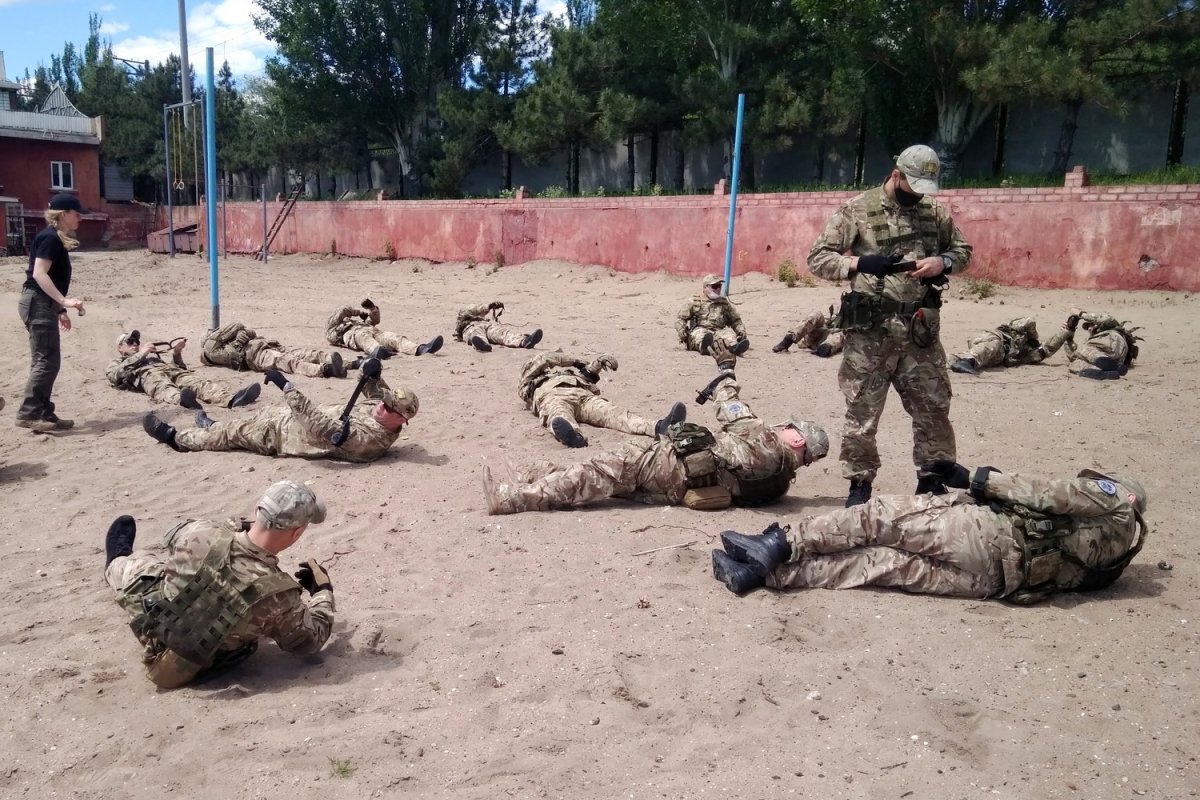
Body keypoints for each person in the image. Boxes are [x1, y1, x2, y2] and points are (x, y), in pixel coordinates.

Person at [712, 462, 1147, 604]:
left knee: (879, 519)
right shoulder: (1113, 564)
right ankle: (763, 576)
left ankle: (781, 544)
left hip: (987, 535)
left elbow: (1050, 494)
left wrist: (977, 479)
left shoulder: (1114, 502)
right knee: (878, 565)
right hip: (997, 582)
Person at [807, 144, 972, 506]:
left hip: (919, 331)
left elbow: (963, 251)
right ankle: (860, 482)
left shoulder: (935, 213)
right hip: (871, 332)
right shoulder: (858, 209)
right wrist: (859, 265)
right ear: (896, 175)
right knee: (863, 410)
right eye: (914, 186)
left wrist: (942, 262)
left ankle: (932, 478)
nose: (919, 195)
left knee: (933, 408)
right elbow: (817, 258)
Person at [483, 341, 828, 513]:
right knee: (604, 477)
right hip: (682, 488)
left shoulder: (766, 442)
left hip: (671, 463)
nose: (783, 426)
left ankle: (514, 498)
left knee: (597, 472)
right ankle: (532, 473)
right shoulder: (780, 486)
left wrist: (725, 372)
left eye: (789, 427)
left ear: (796, 438)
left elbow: (732, 410)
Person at [103, 479, 334, 688]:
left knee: (146, 567)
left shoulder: (201, 531)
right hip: (187, 666)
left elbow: (172, 535)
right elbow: (310, 641)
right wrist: (323, 592)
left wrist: (236, 528)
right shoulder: (280, 597)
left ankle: (116, 562)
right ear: (296, 533)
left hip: (151, 623)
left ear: (258, 510)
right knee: (252, 625)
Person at [141, 358, 417, 463]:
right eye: (385, 400)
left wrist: (287, 386)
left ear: (401, 420)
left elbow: (318, 424)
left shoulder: (369, 440)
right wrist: (373, 370)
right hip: (284, 418)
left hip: (279, 435)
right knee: (232, 428)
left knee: (230, 435)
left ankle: (176, 439)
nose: (382, 403)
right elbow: (373, 390)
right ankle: (210, 426)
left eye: (389, 405)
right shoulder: (383, 412)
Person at [16, 193, 89, 431]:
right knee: (45, 361)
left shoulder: (55, 238)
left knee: (48, 361)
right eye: (76, 213)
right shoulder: (49, 238)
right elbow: (39, 273)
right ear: (63, 214)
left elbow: (51, 277)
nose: (80, 217)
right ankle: (29, 413)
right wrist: (64, 301)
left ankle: (44, 413)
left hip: (42, 304)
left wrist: (59, 310)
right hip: (37, 302)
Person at [518, 350, 687, 448]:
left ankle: (659, 427)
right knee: (558, 416)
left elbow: (588, 376)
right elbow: (546, 357)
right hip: (552, 396)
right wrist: (575, 361)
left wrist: (599, 362)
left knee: (616, 414)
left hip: (583, 395)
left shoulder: (567, 375)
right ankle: (573, 437)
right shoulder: (529, 380)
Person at [107, 331, 262, 409]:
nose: (135, 344)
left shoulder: (152, 358)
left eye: (136, 341)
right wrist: (141, 354)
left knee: (195, 381)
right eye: (130, 341)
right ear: (120, 348)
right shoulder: (117, 363)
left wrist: (176, 353)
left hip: (169, 371)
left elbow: (178, 368)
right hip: (148, 376)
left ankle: (232, 400)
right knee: (162, 386)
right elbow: (115, 375)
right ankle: (184, 402)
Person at [202, 321, 347, 378]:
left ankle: (347, 364)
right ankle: (324, 370)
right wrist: (239, 331)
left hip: (265, 344)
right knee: (288, 361)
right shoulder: (211, 349)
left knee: (303, 353)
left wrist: (245, 333)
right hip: (254, 356)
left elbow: (251, 332)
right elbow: (237, 324)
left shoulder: (224, 342)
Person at [325, 299, 443, 359]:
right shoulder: (331, 331)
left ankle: (421, 349)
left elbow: (374, 321)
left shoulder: (356, 322)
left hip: (372, 331)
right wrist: (360, 312)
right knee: (365, 340)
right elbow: (344, 310)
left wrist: (372, 309)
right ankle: (378, 351)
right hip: (355, 335)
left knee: (395, 338)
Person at [950, 317, 1071, 375]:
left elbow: (1048, 349)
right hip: (996, 338)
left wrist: (1065, 332)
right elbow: (1029, 321)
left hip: (998, 356)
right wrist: (1033, 338)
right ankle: (967, 361)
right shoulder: (1017, 331)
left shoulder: (1028, 355)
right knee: (993, 345)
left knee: (953, 359)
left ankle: (951, 361)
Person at [675, 274, 749, 356]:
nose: (718, 289)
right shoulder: (694, 301)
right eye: (715, 286)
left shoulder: (723, 303)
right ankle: (705, 348)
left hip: (719, 330)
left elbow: (736, 320)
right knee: (700, 336)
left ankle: (734, 348)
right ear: (705, 287)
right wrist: (682, 331)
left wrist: (741, 331)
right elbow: (680, 319)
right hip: (700, 329)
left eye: (719, 286)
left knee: (730, 336)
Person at [1063, 308, 1141, 380]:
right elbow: (1073, 355)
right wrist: (1068, 335)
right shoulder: (1093, 341)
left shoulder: (1109, 328)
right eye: (1088, 327)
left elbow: (1107, 318)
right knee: (1075, 363)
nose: (1089, 328)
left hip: (1113, 343)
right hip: (1111, 358)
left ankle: (1106, 364)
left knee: (1084, 350)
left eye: (1091, 325)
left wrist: (1081, 314)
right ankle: (1104, 373)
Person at [454, 301, 542, 352]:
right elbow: (477, 308)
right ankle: (482, 344)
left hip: (486, 325)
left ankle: (524, 341)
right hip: (470, 328)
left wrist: (491, 306)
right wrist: (488, 306)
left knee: (501, 333)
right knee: (475, 334)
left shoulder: (481, 319)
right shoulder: (463, 314)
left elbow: (479, 310)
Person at [771, 309, 844, 357]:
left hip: (835, 338)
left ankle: (824, 348)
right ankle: (789, 339)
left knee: (842, 335)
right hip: (820, 333)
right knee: (817, 314)